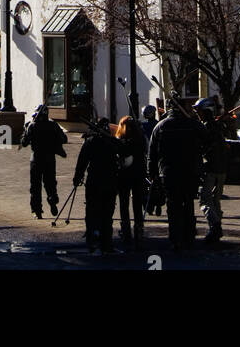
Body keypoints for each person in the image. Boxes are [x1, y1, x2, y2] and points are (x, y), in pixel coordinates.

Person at [148, 98, 204, 249]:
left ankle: (175, 238)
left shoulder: (161, 126)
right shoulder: (192, 124)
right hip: (189, 172)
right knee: (188, 205)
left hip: (168, 173)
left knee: (173, 207)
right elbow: (206, 138)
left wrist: (152, 174)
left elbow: (152, 153)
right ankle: (189, 236)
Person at [73, 118, 120, 253]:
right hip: (109, 181)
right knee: (107, 212)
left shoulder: (91, 142)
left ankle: (92, 237)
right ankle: (106, 241)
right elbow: (123, 153)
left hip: (95, 181)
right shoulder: (111, 142)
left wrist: (77, 177)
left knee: (92, 210)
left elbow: (82, 162)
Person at [20, 104, 68, 219]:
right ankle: (52, 199)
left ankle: (37, 211)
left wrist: (28, 129)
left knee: (35, 186)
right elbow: (64, 139)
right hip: (49, 158)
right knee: (50, 183)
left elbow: (24, 142)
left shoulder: (32, 125)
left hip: (36, 158)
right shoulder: (53, 125)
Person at [195, 97, 229, 244]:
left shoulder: (206, 128)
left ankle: (215, 226)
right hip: (221, 169)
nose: (198, 114)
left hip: (210, 169)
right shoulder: (219, 127)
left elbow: (201, 146)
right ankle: (216, 227)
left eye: (200, 111)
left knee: (205, 200)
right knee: (216, 200)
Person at [115, 116, 148, 248]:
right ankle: (139, 227)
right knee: (137, 202)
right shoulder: (140, 140)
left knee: (124, 202)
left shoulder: (121, 141)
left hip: (124, 175)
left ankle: (126, 227)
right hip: (138, 174)